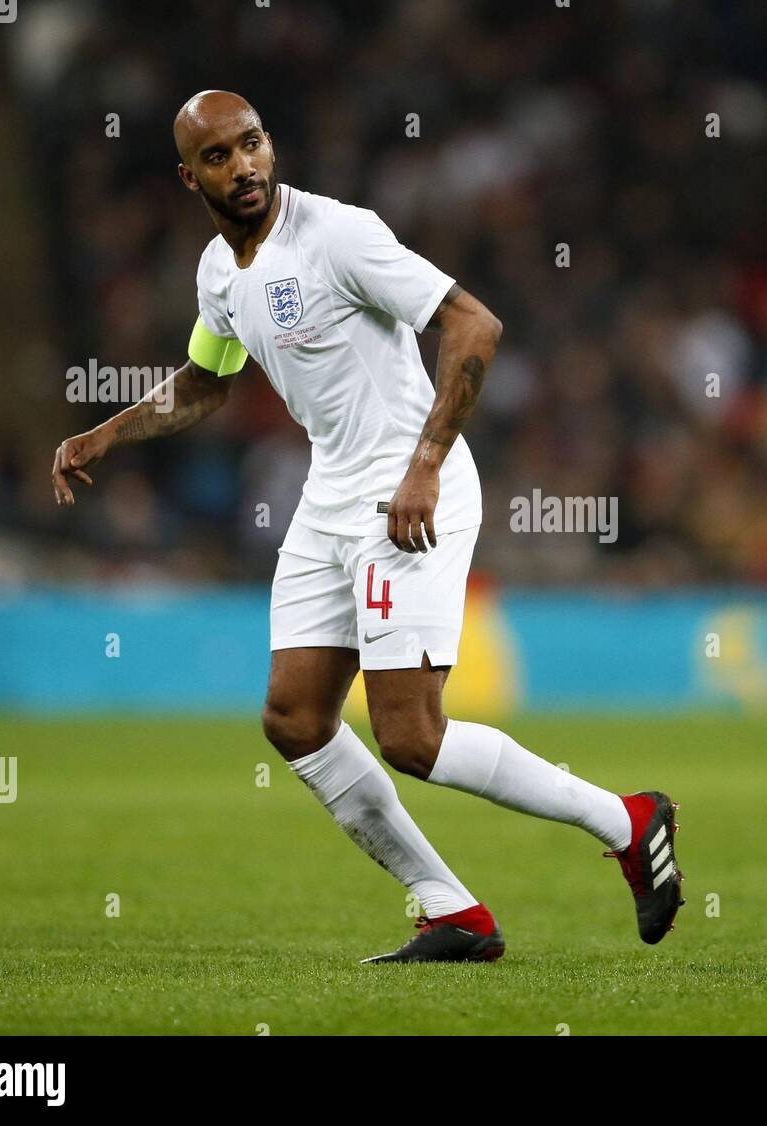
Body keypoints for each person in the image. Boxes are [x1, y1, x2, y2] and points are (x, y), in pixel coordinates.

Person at [50, 90, 683, 962]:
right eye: (221, 156)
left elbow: (474, 324)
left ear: (271, 145)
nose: (244, 167)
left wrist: (422, 465)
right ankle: (450, 910)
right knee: (294, 717)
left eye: (254, 144)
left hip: (412, 489)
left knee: (411, 737)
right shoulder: (217, 272)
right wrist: (105, 433)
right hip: (331, 497)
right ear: (188, 174)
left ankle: (628, 820)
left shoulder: (339, 235)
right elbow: (206, 382)